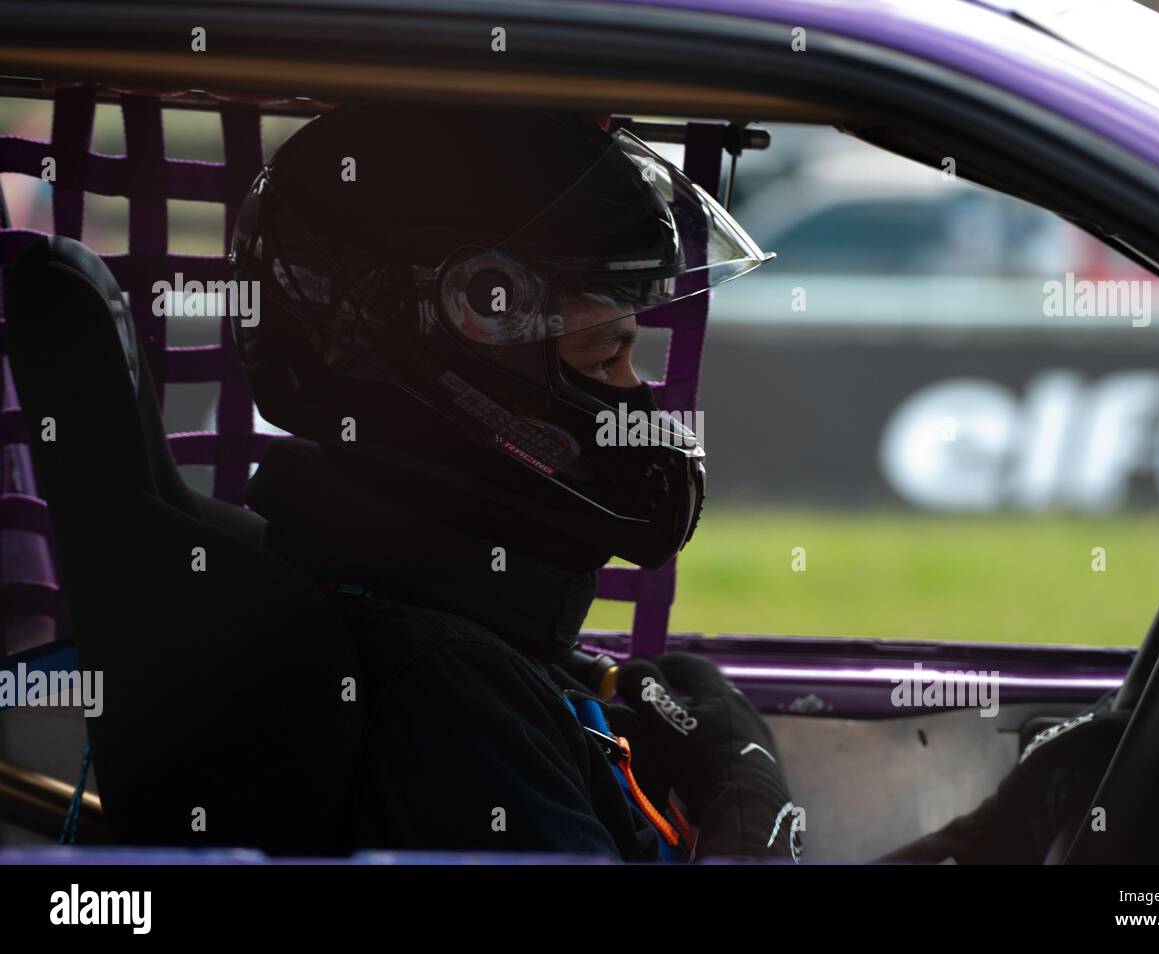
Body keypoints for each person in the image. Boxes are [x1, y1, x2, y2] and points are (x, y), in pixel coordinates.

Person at [228, 101, 799, 861]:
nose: (637, 403)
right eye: (602, 360)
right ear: (457, 381)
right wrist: (749, 814)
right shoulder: (441, 700)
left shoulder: (456, 625)